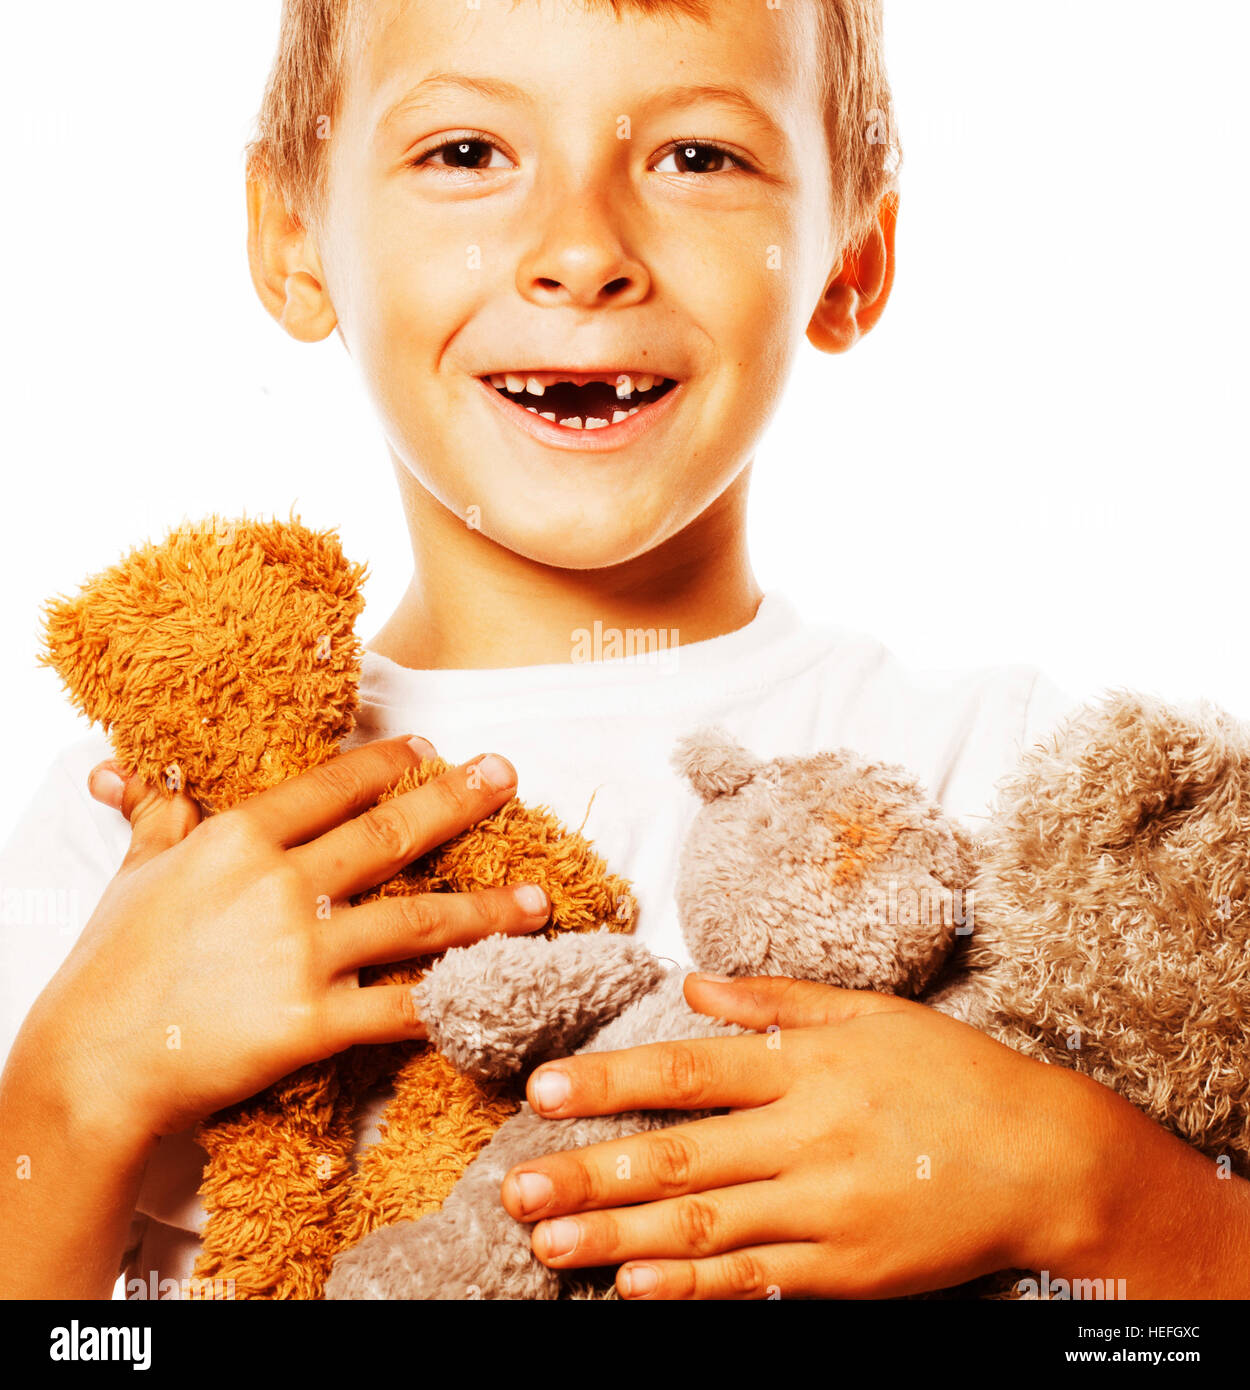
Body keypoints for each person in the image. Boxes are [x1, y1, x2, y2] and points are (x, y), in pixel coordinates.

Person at [2, 0, 1246, 1301]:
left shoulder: (1028, 794)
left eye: (697, 157)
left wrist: (1095, 1190)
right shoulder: (149, 852)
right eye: (467, 152)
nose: (580, 251)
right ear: (294, 235)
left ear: (851, 260)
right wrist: (70, 1100)